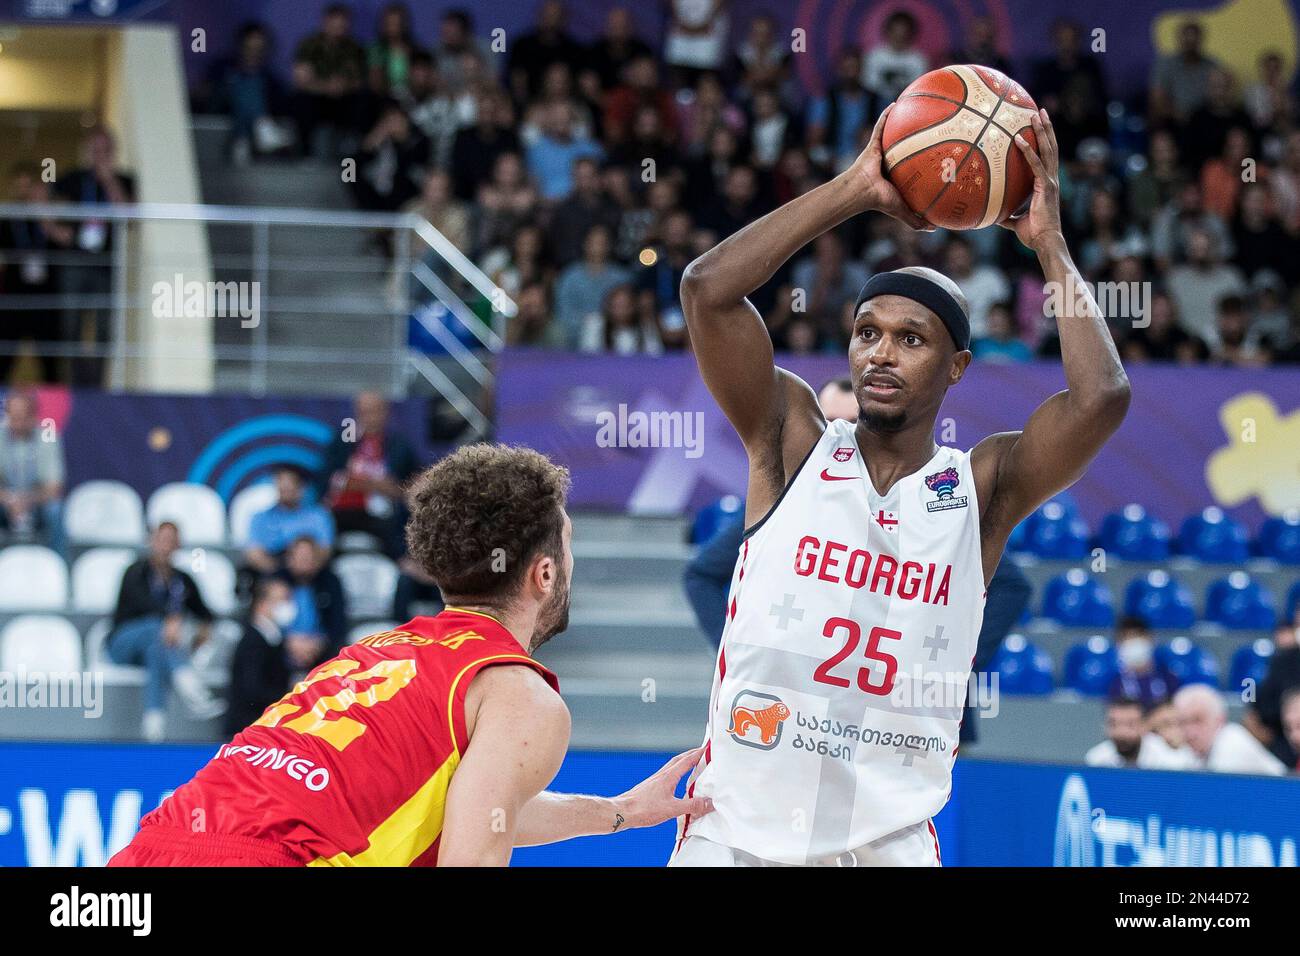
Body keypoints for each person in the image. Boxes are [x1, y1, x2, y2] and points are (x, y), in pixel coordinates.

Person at [673, 105, 1130, 866]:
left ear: (955, 367)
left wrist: (1049, 243)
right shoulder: (790, 440)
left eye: (911, 339)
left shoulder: (981, 488)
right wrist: (854, 189)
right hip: (735, 836)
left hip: (886, 846)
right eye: (867, 332)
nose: (881, 354)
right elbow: (706, 289)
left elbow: (1101, 399)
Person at [109, 444, 711, 866]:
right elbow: (470, 857)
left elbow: (471, 814)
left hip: (150, 850)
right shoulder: (518, 695)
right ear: (545, 572)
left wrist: (621, 811)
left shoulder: (376, 649)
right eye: (570, 546)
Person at [108, 522, 223, 742]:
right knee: (155, 628)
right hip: (123, 644)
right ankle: (191, 688)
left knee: (157, 650)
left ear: (178, 545)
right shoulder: (136, 571)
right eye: (162, 539)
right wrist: (169, 619)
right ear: (152, 541)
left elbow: (205, 612)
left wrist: (203, 628)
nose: (165, 545)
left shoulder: (183, 580)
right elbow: (140, 604)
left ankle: (154, 723)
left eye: (171, 540)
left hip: (157, 647)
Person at [55, 126, 135, 386]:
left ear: (113, 153)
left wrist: (109, 180)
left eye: (105, 150)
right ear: (88, 152)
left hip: (105, 264)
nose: (100, 155)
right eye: (95, 150)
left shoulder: (125, 179)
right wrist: (59, 229)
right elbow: (50, 204)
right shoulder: (73, 178)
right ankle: (77, 380)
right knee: (71, 325)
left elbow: (129, 216)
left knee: (103, 328)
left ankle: (97, 383)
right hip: (75, 261)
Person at [315, 392, 417, 559]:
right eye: (363, 412)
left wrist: (390, 488)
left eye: (373, 411)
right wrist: (370, 484)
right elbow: (326, 480)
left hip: (385, 517)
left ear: (385, 412)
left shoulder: (399, 445)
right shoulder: (343, 440)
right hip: (342, 512)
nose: (369, 418)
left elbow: (411, 485)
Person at [224, 577, 295, 737]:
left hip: (262, 727)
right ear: (262, 604)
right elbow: (252, 690)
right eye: (281, 600)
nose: (287, 606)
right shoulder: (253, 642)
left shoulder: (273, 639)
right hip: (248, 730)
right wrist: (290, 696)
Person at [0, 390, 66, 557]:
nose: (18, 424)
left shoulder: (48, 435)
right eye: (13, 417)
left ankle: (58, 566)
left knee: (55, 510)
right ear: (6, 414)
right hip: (5, 502)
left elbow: (54, 487)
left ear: (34, 416)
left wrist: (25, 501)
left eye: (23, 417)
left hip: (37, 503)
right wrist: (9, 500)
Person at [244, 465, 335, 580]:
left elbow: (324, 550)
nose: (285, 487)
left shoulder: (319, 516)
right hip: (273, 574)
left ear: (302, 488)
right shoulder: (260, 518)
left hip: (311, 575)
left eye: (291, 482)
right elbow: (254, 553)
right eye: (281, 482)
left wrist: (303, 568)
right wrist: (279, 575)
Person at [1174, 683, 1286, 775]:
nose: (1190, 732)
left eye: (1198, 720)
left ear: (1220, 720)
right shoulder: (1193, 751)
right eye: (1183, 723)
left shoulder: (1232, 742)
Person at [275, 536, 348, 669]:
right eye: (301, 558)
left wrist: (318, 643)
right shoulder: (276, 581)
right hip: (283, 645)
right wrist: (287, 642)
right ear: (289, 559)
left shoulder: (330, 582)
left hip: (320, 646)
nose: (305, 563)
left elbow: (337, 621)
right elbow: (266, 619)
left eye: (309, 558)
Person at [1085, 697, 1193, 769]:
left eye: (1130, 724)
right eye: (1114, 724)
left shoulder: (1167, 760)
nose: (1121, 732)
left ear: (1144, 727)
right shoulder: (1096, 759)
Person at [1108, 615, 1170, 707]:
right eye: (1127, 638)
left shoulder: (1168, 679)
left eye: (1137, 636)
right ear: (1118, 644)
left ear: (1150, 639)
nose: (1133, 643)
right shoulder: (1115, 684)